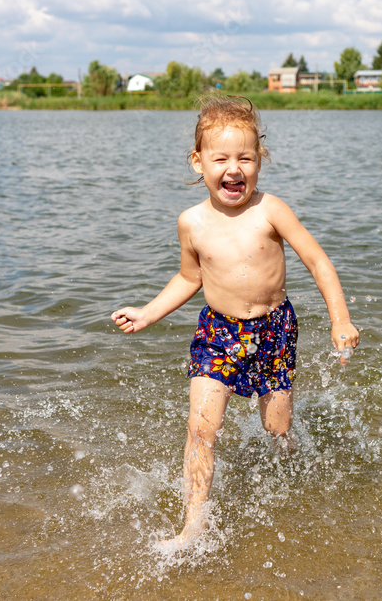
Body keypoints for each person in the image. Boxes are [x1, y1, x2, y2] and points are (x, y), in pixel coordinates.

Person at [111, 95, 359, 547]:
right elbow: (189, 278)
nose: (234, 168)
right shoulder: (191, 222)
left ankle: (289, 473)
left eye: (245, 157)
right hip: (218, 331)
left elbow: (319, 262)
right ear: (198, 162)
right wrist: (147, 313)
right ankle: (194, 523)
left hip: (273, 330)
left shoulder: (271, 210)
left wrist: (339, 320)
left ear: (260, 161)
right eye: (220, 158)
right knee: (201, 427)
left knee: (276, 426)